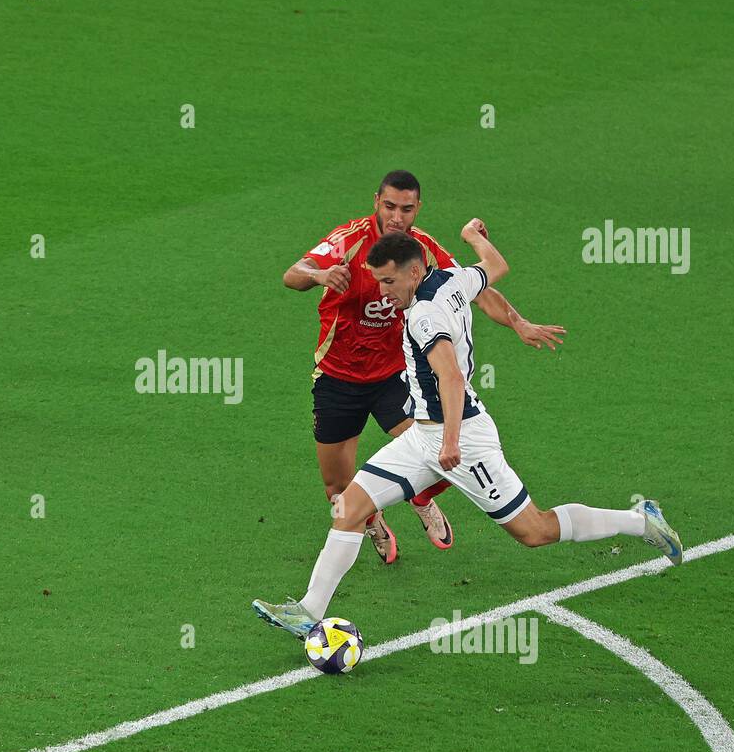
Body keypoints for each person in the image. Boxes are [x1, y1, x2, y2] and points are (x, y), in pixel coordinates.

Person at [255, 224, 681, 636]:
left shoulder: (423, 314)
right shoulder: (451, 280)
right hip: (422, 437)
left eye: (387, 281)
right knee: (349, 509)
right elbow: (495, 267)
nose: (382, 293)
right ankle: (309, 612)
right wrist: (474, 237)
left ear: (414, 272)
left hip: (462, 438)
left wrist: (452, 443)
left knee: (534, 531)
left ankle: (640, 521)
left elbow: (451, 379)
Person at [284, 170, 564, 562]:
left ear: (418, 209)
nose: (397, 217)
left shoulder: (423, 251)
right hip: (338, 377)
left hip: (393, 376)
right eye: (390, 207)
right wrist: (319, 275)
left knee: (441, 451)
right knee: (337, 487)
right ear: (376, 202)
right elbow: (291, 275)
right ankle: (371, 522)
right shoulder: (347, 241)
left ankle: (421, 500)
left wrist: (517, 322)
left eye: (407, 209)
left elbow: (472, 286)